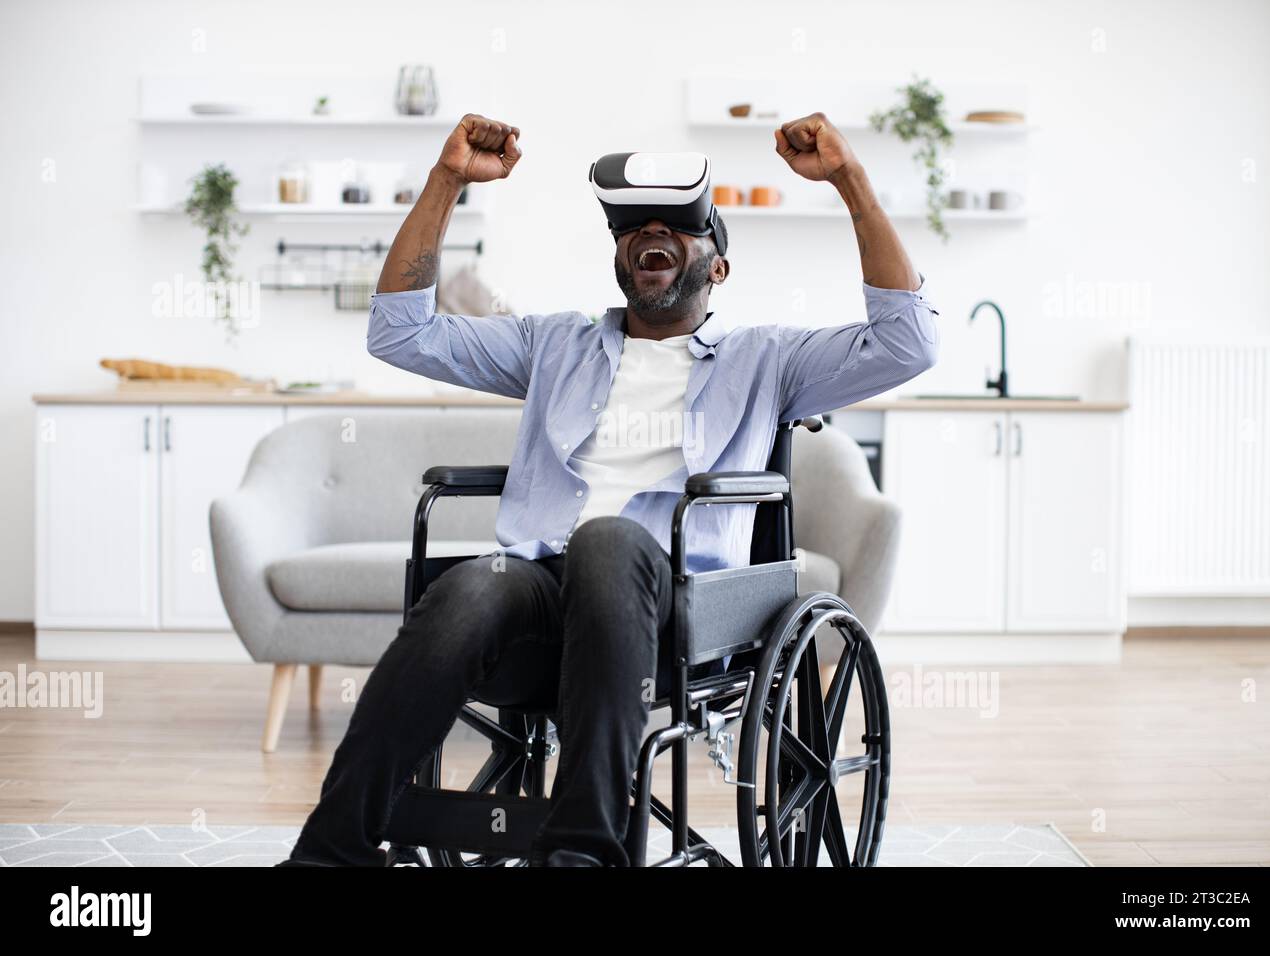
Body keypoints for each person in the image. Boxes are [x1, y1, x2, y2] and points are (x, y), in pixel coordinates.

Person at [284, 111, 938, 866]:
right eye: (633, 227)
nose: (650, 233)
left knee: (607, 539)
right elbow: (400, 333)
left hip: (680, 606)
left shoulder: (767, 359)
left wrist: (850, 181)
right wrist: (448, 179)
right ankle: (329, 851)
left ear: (717, 267)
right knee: (470, 588)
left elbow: (909, 341)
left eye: (678, 227)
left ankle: (584, 851)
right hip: (540, 589)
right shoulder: (553, 343)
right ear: (620, 258)